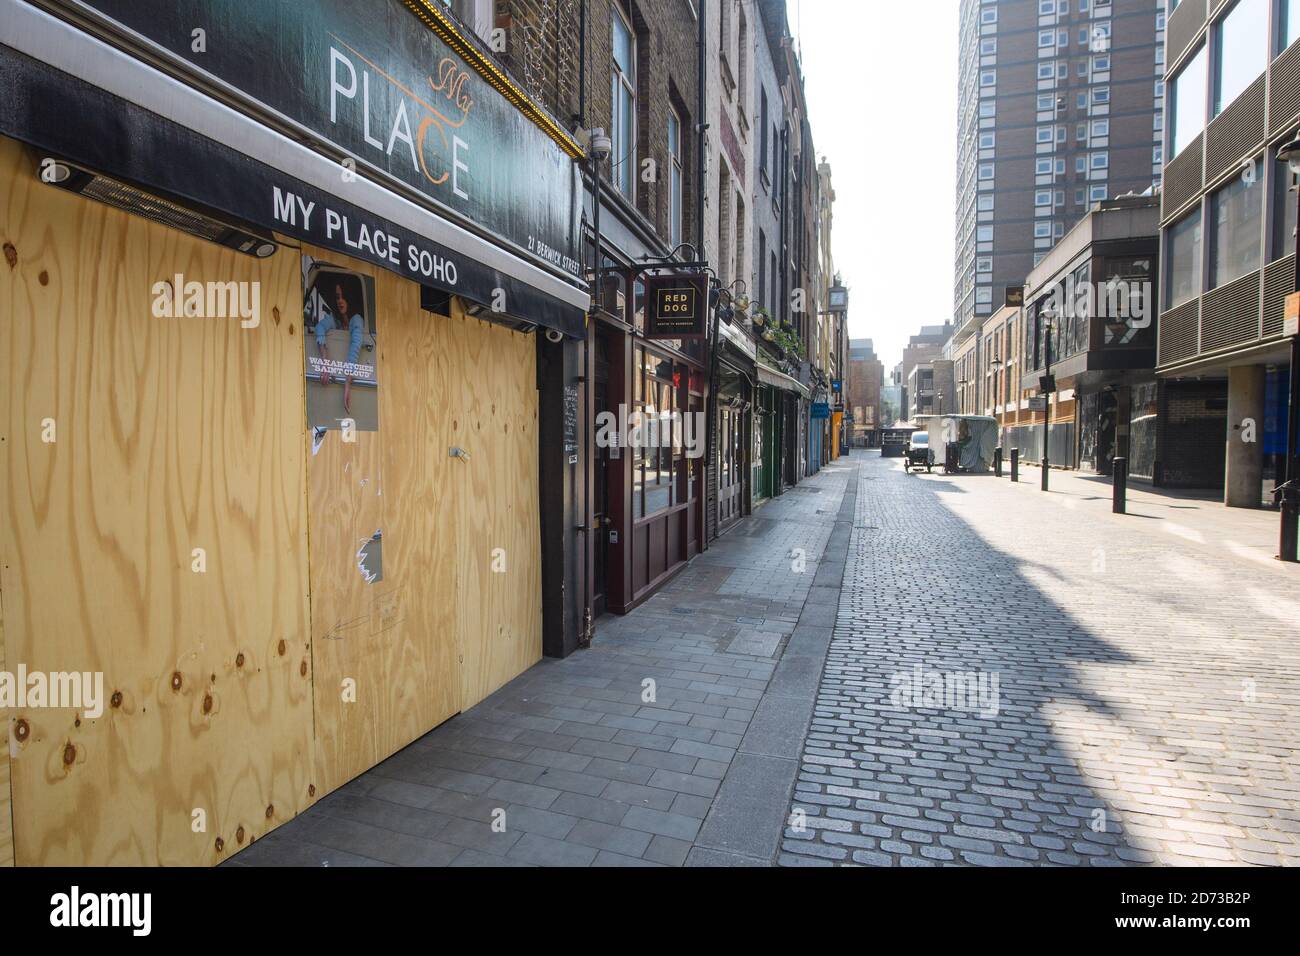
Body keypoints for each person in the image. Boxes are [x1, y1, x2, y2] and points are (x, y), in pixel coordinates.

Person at [316, 281, 367, 414]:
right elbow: (320, 327)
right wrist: (325, 362)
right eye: (338, 297)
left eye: (344, 297)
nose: (340, 301)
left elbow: (356, 345)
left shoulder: (356, 319)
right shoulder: (335, 320)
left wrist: (347, 385)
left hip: (350, 381)